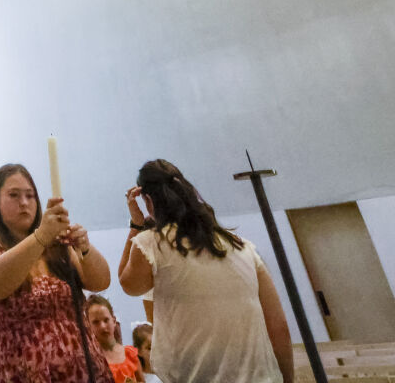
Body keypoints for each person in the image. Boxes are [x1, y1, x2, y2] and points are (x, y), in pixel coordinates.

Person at [118, 160, 292, 383]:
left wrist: (136, 224)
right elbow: (279, 327)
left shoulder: (153, 244)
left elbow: (127, 283)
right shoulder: (241, 246)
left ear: (148, 200)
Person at [0, 162, 112, 382]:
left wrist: (84, 246)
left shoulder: (58, 248)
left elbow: (101, 282)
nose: (24, 203)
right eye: (14, 195)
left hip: (84, 371)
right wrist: (41, 236)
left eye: (31, 195)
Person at [85, 295, 142, 382]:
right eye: (96, 322)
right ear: (88, 325)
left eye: (106, 320)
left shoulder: (130, 354)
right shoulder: (90, 360)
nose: (103, 327)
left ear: (114, 321)